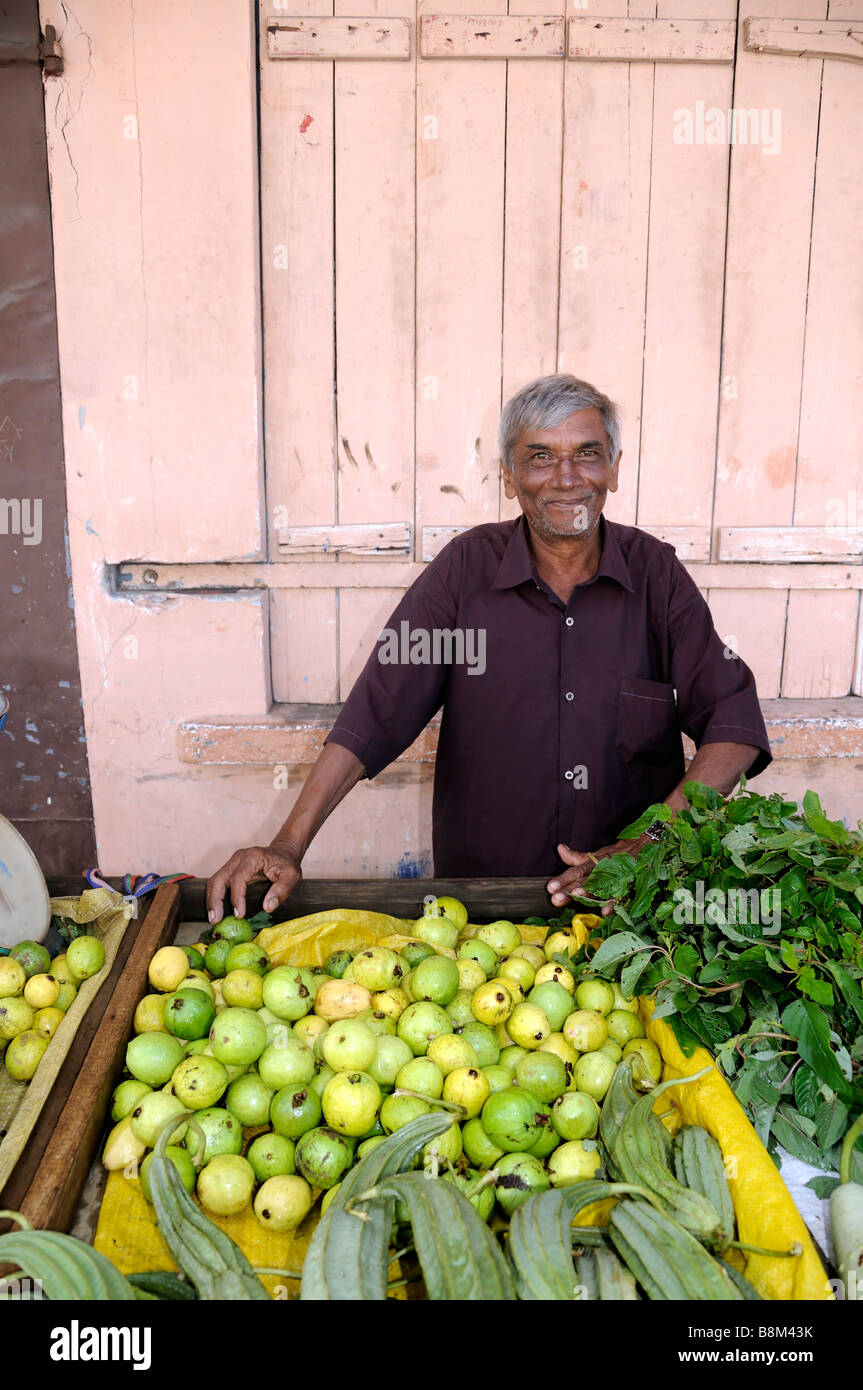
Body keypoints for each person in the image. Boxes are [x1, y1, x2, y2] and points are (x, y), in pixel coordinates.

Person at [207, 374, 771, 924]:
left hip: (626, 909)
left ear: (614, 470)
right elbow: (373, 715)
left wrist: (646, 844)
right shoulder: (463, 572)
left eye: (587, 454)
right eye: (541, 457)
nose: (566, 477)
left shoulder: (657, 575)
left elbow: (734, 723)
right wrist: (286, 846)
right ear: (509, 477)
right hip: (480, 911)